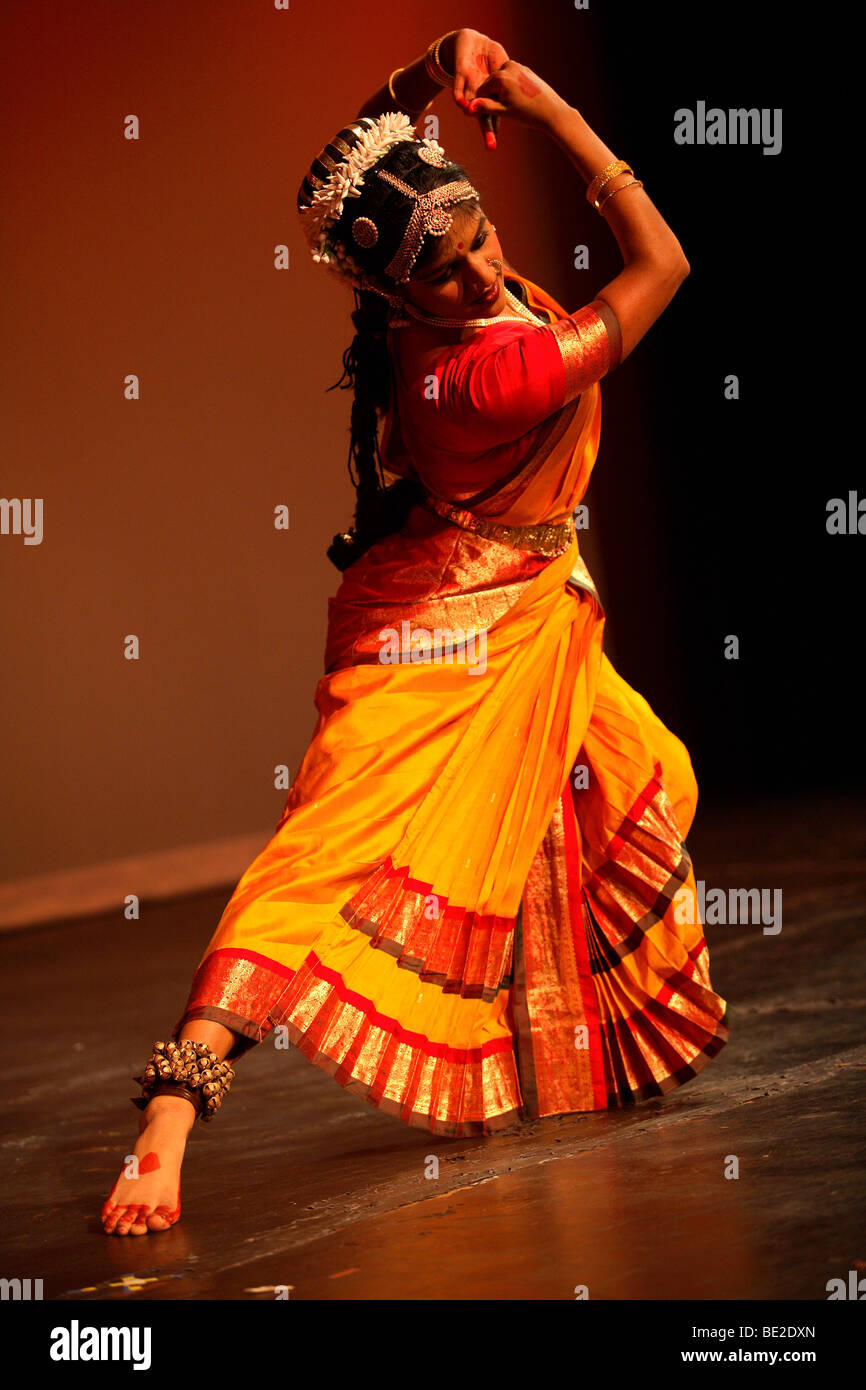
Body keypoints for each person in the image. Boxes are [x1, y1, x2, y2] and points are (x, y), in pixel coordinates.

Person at [101, 28, 729, 1236]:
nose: (482, 271)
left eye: (480, 235)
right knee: (329, 841)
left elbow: (354, 156)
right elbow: (665, 261)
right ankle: (170, 1116)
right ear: (395, 290)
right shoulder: (489, 377)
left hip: (529, 596)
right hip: (459, 624)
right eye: (443, 268)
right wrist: (544, 108)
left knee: (643, 776)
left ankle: (570, 1058)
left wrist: (433, 70)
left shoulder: (392, 295)